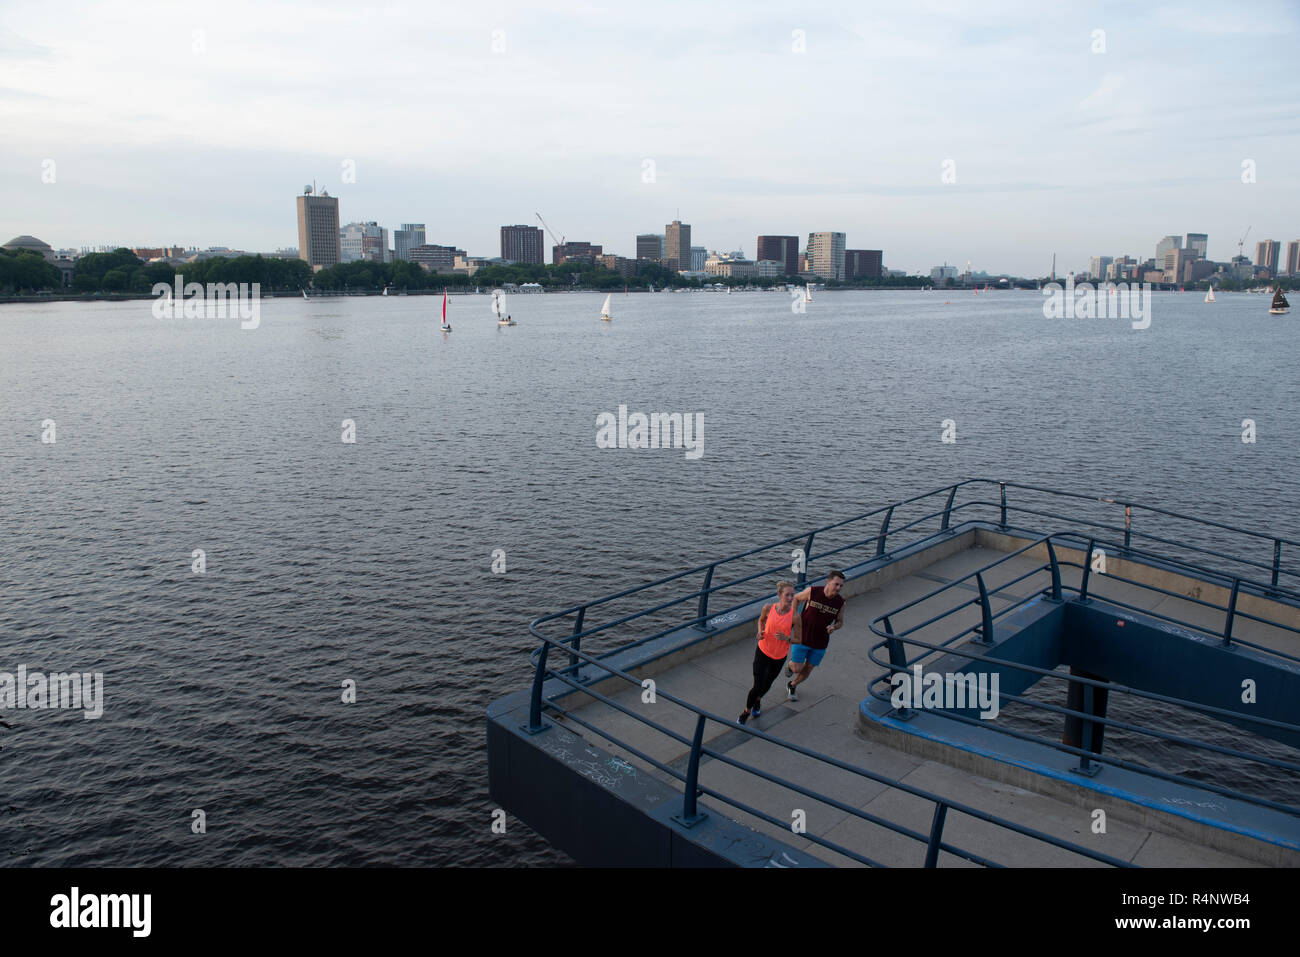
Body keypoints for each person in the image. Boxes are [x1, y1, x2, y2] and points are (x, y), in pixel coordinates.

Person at [739, 581, 801, 725]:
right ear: (779, 595)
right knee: (757, 685)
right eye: (787, 595)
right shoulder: (768, 608)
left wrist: (787, 638)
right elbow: (760, 621)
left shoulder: (795, 617)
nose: (791, 598)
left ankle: (758, 701)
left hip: (779, 656)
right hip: (763, 651)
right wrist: (759, 631)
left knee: (767, 684)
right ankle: (746, 712)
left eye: (792, 595)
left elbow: (799, 639)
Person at [786, 570, 846, 701]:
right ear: (828, 582)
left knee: (808, 669)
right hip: (803, 636)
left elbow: (840, 621)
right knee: (797, 668)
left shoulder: (840, 602)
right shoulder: (812, 592)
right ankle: (790, 666)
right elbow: (796, 598)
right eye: (836, 584)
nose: (838, 588)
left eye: (841, 586)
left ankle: (792, 685)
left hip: (821, 641)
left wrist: (834, 627)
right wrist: (794, 615)